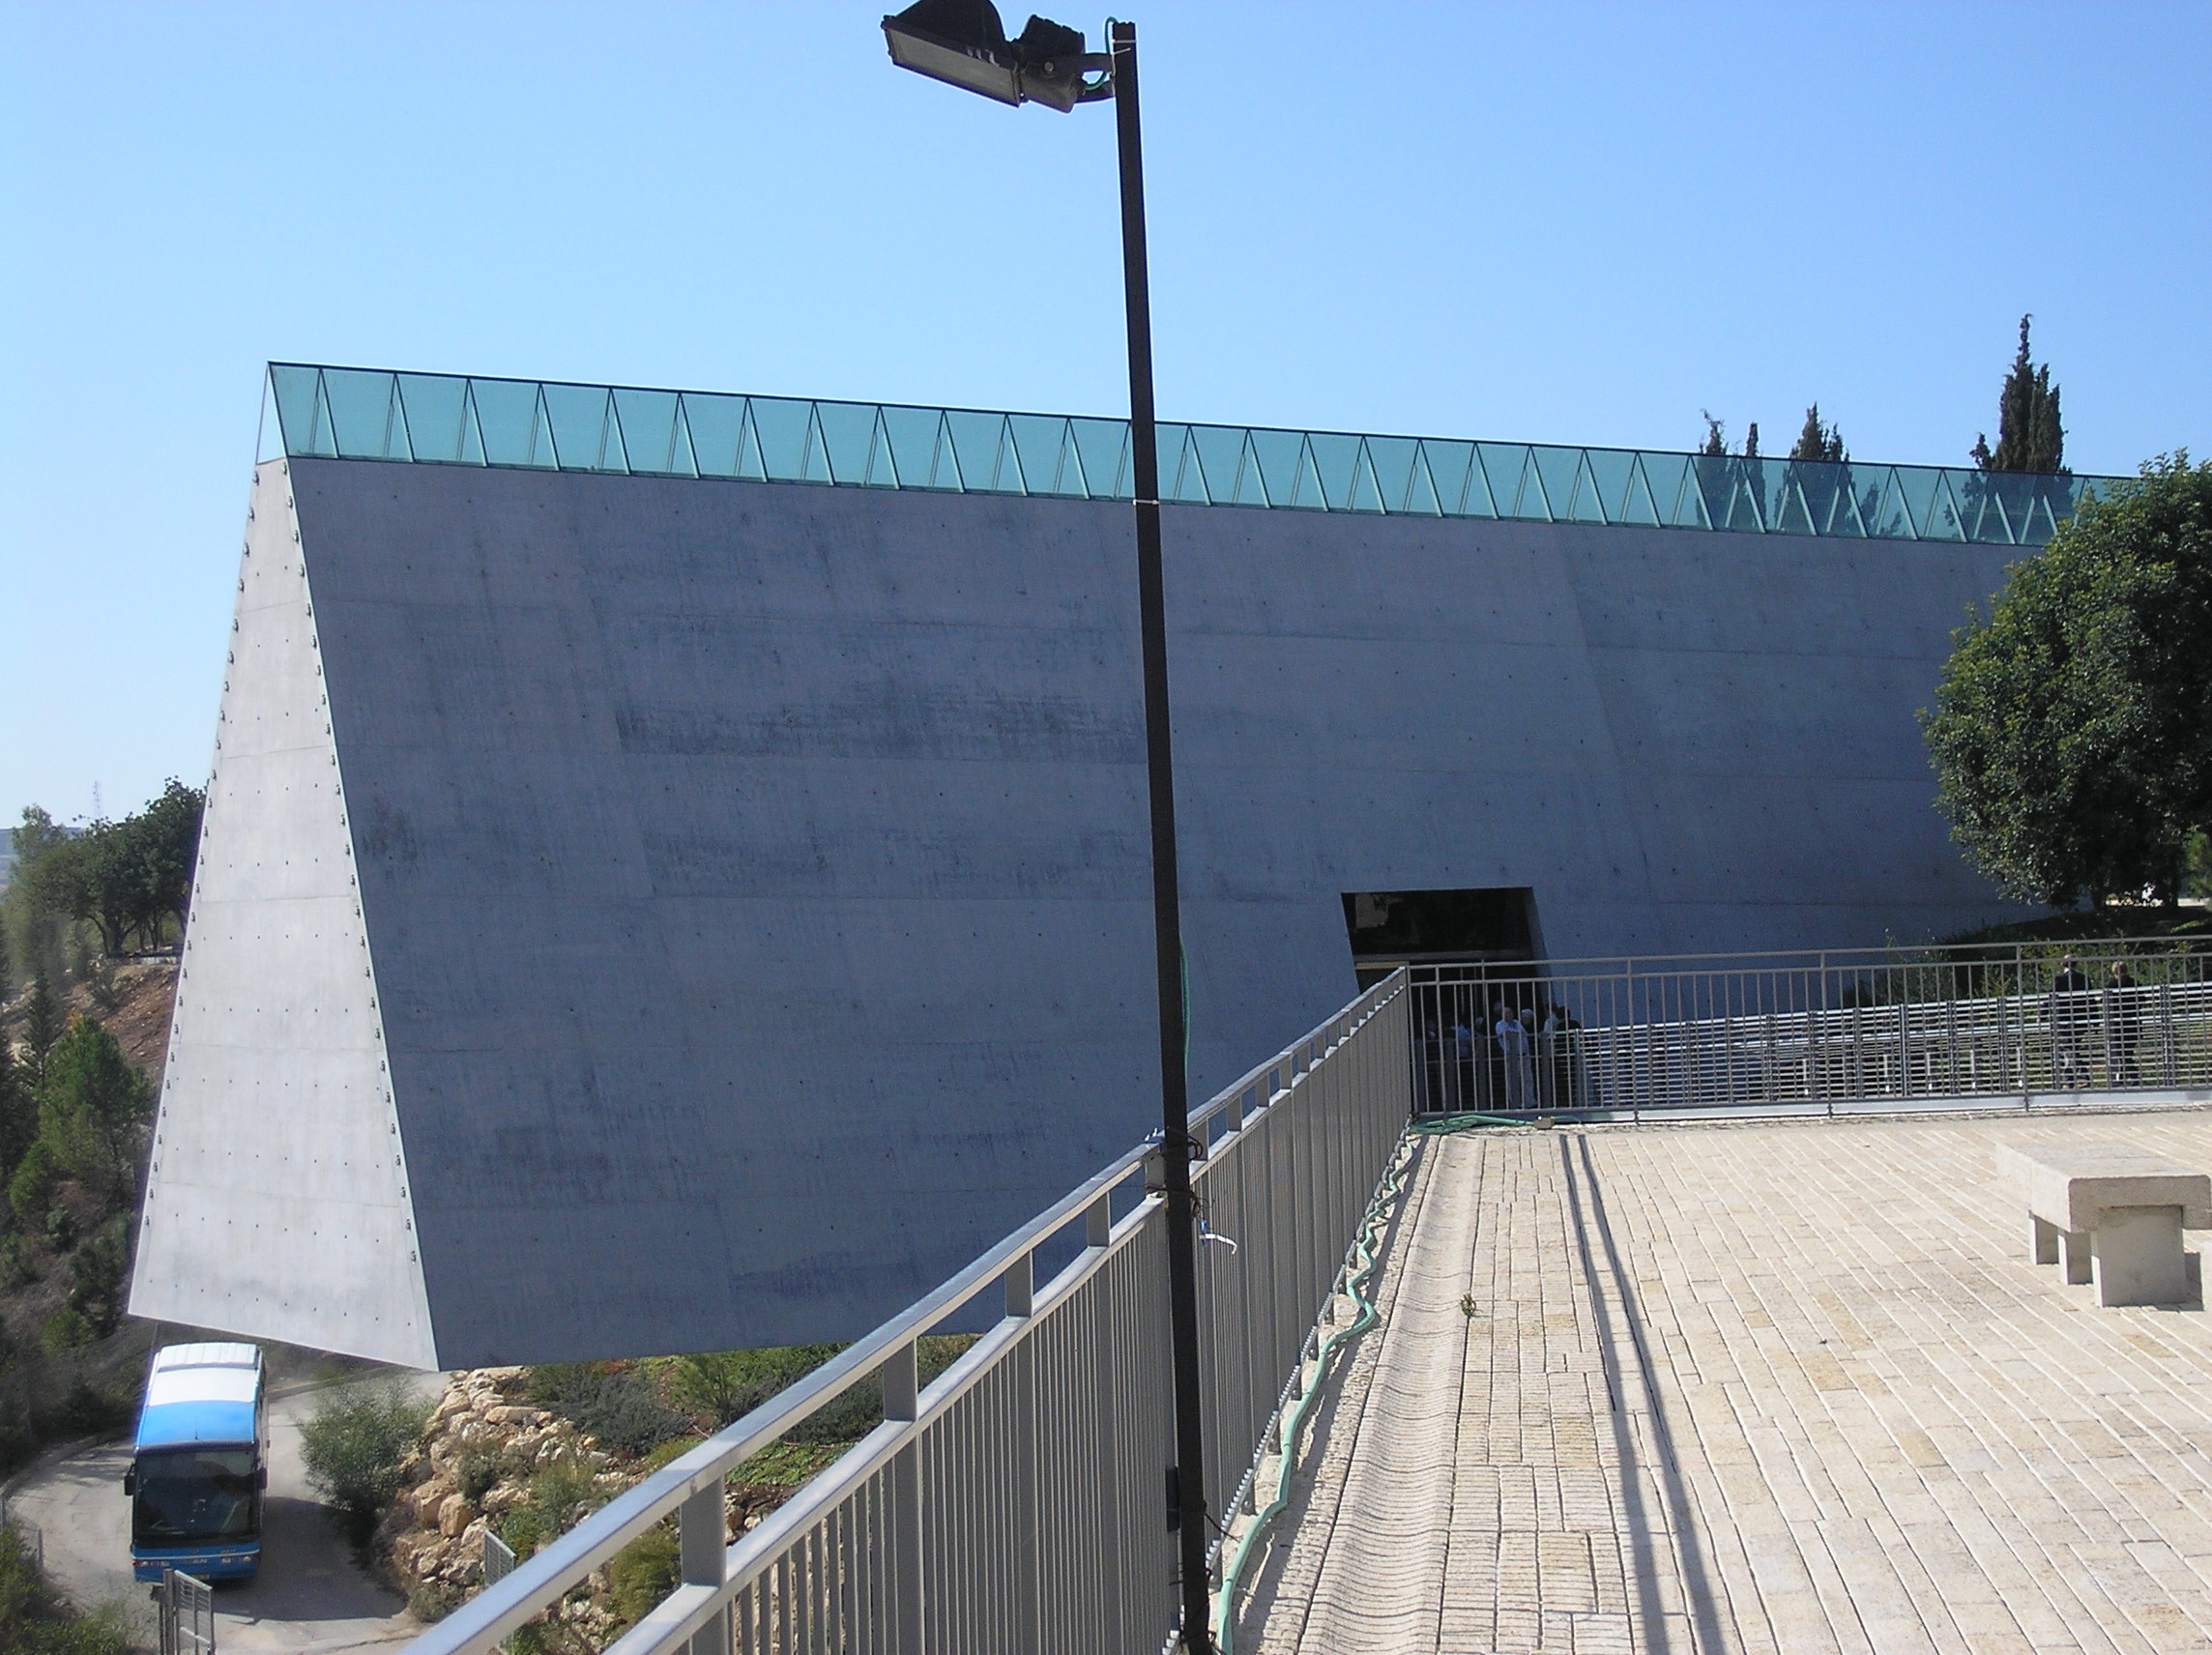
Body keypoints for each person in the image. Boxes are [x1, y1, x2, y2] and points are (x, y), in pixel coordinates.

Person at [2048, 955, 2092, 1089]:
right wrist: (2094, 1019)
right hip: (2080, 1020)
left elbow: (2051, 998)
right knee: (2071, 1048)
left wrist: (2042, 1013)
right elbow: (2090, 999)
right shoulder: (2084, 979)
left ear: (2063, 965)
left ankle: (2082, 1077)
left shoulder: (2059, 980)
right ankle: (2069, 1080)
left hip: (2064, 1020)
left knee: (2068, 1048)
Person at [2105, 959, 2142, 1086]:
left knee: (2122, 1052)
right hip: (2132, 1023)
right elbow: (2142, 998)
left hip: (2117, 1024)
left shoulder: (2111, 985)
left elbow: (2106, 1003)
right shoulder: (2134, 983)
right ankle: (2126, 1075)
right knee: (2127, 1052)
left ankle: (2129, 1075)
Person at [1495, 1004, 1529, 1110]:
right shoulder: (1500, 1024)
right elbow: (1505, 1034)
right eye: (1505, 1013)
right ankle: (1515, 1103)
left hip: (1524, 1055)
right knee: (1512, 1080)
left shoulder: (1517, 1023)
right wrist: (1516, 1034)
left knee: (1528, 1080)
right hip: (1511, 1057)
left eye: (1509, 1012)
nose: (1508, 1015)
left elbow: (1524, 1034)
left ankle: (1529, 1103)